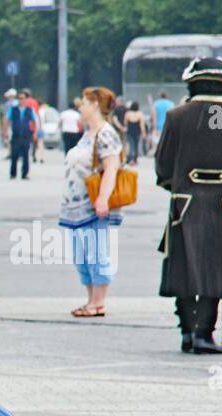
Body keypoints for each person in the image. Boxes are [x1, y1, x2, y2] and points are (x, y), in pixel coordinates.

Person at [156, 57, 222, 355]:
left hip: (185, 203)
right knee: (216, 268)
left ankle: (188, 332)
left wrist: (180, 185)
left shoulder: (177, 116)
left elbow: (163, 167)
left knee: (185, 267)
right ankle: (204, 332)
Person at [61, 87, 123, 318]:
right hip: (76, 207)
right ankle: (91, 300)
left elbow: (111, 168)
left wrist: (103, 199)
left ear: (95, 105)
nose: (80, 107)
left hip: (92, 206)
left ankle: (98, 302)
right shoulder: (88, 133)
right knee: (82, 255)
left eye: (84, 103)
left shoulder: (105, 133)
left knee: (96, 253)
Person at [6, 90, 36, 180]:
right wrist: (5, 131)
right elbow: (7, 120)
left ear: (26, 99)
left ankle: (25, 173)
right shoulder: (13, 109)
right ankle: (13, 173)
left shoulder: (30, 110)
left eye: (22, 98)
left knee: (26, 155)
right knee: (14, 155)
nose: (20, 100)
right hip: (16, 135)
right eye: (19, 98)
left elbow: (34, 121)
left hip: (26, 136)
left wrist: (34, 133)